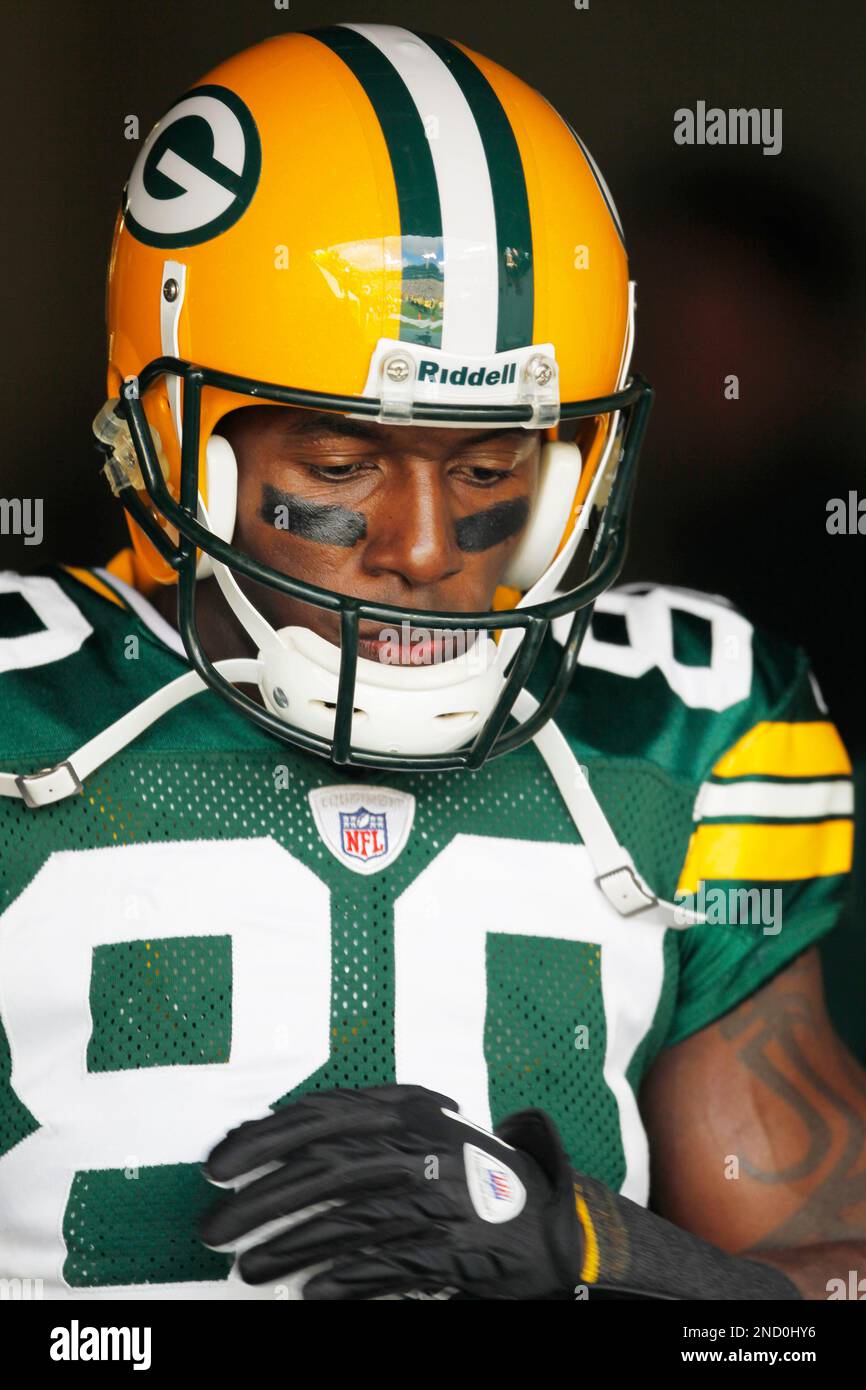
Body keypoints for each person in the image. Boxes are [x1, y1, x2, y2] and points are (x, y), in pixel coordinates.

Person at [0, 23, 860, 1301]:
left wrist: (606, 1253)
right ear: (169, 441)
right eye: (340, 468)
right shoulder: (29, 709)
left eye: (486, 469)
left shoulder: (688, 727)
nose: (423, 548)